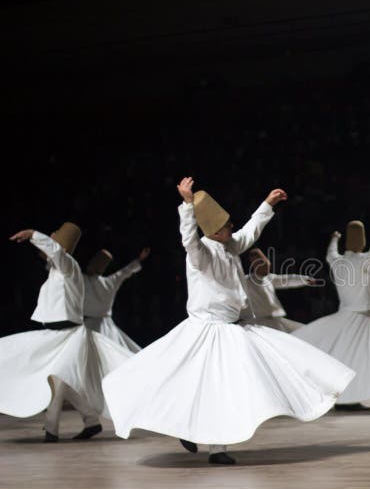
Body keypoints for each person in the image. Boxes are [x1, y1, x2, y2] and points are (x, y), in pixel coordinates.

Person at [102, 178, 355, 464]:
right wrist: (187, 205)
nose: (231, 228)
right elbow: (188, 240)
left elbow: (251, 230)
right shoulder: (201, 254)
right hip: (205, 328)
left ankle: (212, 444)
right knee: (200, 383)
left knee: (223, 385)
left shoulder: (231, 245)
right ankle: (205, 439)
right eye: (226, 226)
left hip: (231, 327)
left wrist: (268, 204)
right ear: (214, 231)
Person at [1, 222, 133, 441]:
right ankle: (91, 421)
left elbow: (55, 252)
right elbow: (52, 255)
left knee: (57, 380)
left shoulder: (68, 265)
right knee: (62, 381)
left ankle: (51, 429)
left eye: (52, 244)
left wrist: (34, 234)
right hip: (56, 335)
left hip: (70, 335)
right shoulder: (56, 270)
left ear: (60, 248)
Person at [293, 221, 370, 410]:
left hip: (348, 317)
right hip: (359, 318)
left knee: (354, 357)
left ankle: (348, 397)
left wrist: (334, 239)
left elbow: (330, 254)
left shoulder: (337, 261)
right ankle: (351, 397)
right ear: (361, 240)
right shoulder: (361, 260)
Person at [83, 247, 151, 353]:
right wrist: (140, 259)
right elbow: (125, 272)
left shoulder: (82, 280)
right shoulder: (109, 282)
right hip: (105, 329)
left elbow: (124, 272)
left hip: (90, 328)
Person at [239, 247, 322, 332]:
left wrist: (306, 280)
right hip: (260, 324)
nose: (267, 268)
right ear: (255, 266)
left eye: (268, 265)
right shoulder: (246, 281)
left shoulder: (270, 278)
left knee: (306, 332)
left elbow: (288, 280)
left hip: (275, 321)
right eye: (264, 265)